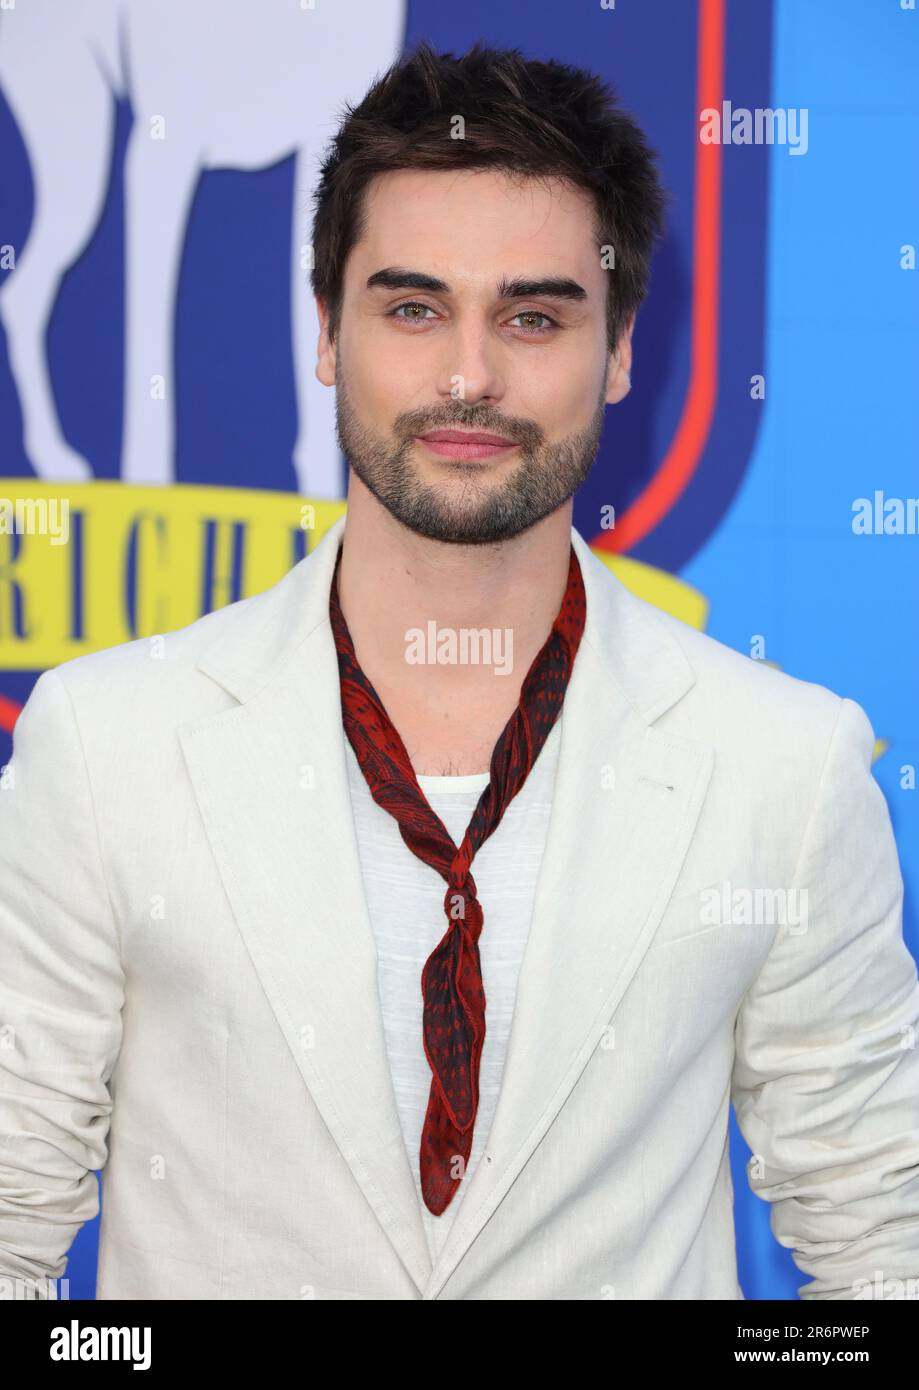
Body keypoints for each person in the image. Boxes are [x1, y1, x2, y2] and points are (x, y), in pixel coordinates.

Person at [1, 39, 917, 1302]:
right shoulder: (105, 744)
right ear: (326, 331)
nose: (469, 376)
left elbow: (884, 1244)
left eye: (533, 315)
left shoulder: (786, 768)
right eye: (413, 306)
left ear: (619, 352)